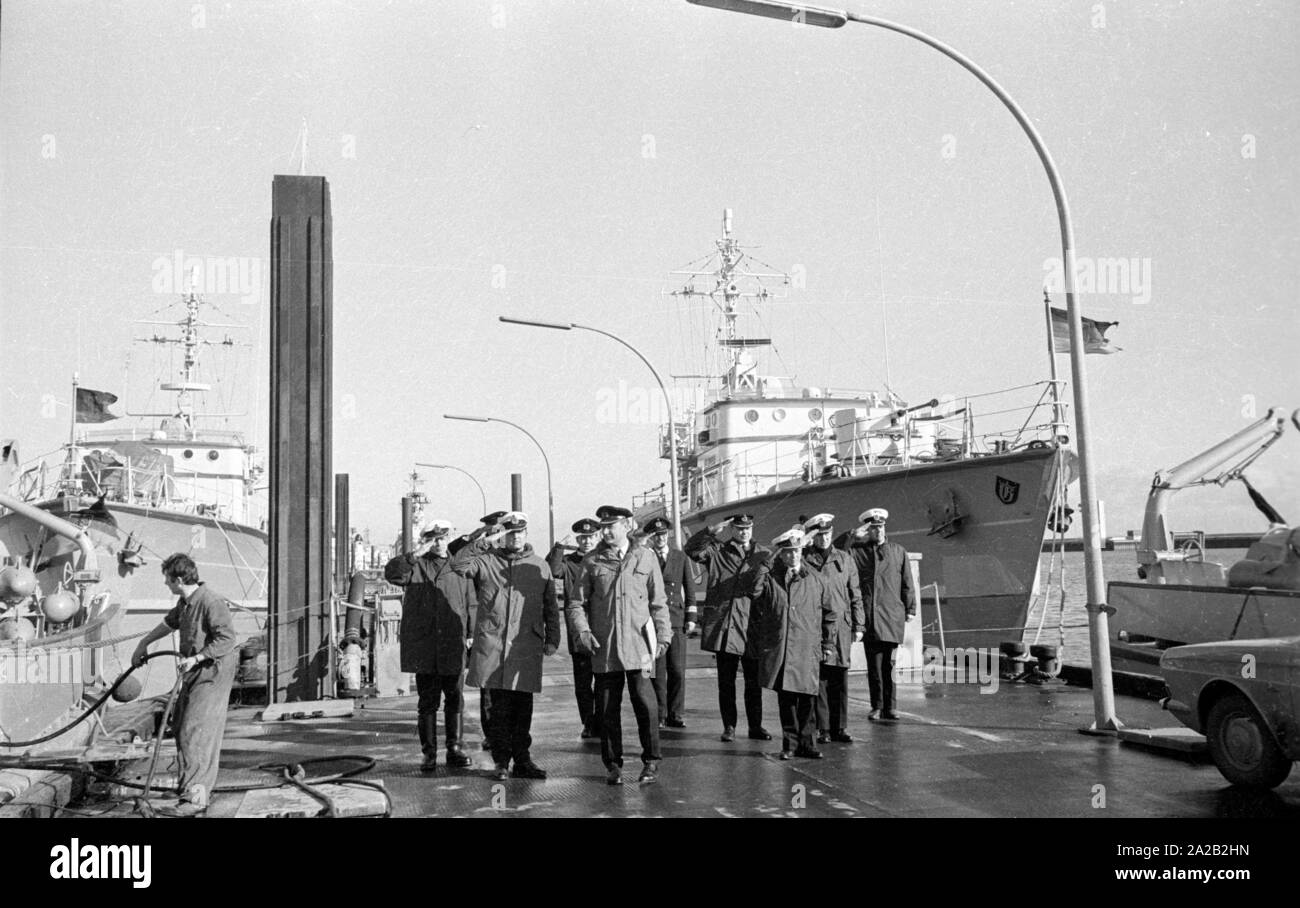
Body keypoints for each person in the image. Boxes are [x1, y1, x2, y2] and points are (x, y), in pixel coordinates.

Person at [453, 511, 560, 780]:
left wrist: (553, 639)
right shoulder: (486, 561)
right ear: (503, 535)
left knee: (523, 710)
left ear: (526, 534)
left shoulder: (539, 566)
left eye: (520, 532)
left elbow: (551, 607)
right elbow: (458, 565)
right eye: (510, 533)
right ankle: (501, 762)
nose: (516, 537)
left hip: (525, 647)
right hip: (494, 647)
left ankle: (523, 761)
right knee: (498, 711)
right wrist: (486, 540)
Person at [569, 505, 671, 785]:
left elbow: (658, 602)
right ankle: (612, 765)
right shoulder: (592, 561)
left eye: (611, 525)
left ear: (627, 525)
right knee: (606, 708)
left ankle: (651, 762)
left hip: (642, 649)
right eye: (604, 526)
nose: (606, 531)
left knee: (646, 704)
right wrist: (584, 632)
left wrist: (664, 637)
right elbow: (576, 603)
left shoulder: (646, 557)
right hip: (605, 649)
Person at [131, 553, 239, 816]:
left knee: (196, 732)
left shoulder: (210, 601)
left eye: (168, 580)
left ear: (179, 579)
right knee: (180, 725)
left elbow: (227, 639)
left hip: (212, 674)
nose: (166, 585)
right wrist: (143, 643)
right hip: (195, 672)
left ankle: (197, 797)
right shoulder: (186, 602)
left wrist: (197, 658)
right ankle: (188, 786)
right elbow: (169, 623)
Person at [385, 517, 474, 771]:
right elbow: (392, 573)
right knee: (427, 701)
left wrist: (470, 633)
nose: (439, 543)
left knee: (455, 698)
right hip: (425, 646)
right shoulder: (415, 566)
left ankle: (454, 748)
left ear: (449, 538)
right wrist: (415, 553)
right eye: (433, 539)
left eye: (443, 538)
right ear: (426, 541)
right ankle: (429, 753)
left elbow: (471, 601)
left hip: (452, 643)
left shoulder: (459, 566)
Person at [746, 529, 834, 760]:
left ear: (801, 552)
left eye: (796, 551)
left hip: (807, 648)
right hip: (782, 648)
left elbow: (830, 613)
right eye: (787, 552)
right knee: (787, 700)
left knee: (807, 698)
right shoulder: (771, 579)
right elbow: (753, 591)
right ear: (781, 555)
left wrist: (828, 645)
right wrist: (768, 562)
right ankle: (790, 744)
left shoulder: (815, 579)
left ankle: (808, 743)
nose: (793, 556)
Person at [685, 513, 772, 742]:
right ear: (732, 529)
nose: (744, 532)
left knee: (754, 683)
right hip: (724, 628)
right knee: (726, 682)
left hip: (751, 627)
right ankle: (729, 726)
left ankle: (756, 726)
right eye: (740, 528)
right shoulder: (717, 552)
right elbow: (692, 550)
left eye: (748, 528)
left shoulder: (763, 554)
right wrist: (710, 532)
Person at [840, 508, 914, 721]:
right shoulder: (858, 551)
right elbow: (841, 551)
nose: (877, 531)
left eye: (880, 527)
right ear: (868, 530)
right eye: (873, 528)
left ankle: (891, 707)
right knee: (874, 665)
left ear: (885, 528)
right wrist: (853, 535)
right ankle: (877, 706)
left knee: (889, 665)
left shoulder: (898, 551)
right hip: (871, 617)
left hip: (892, 617)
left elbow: (907, 583)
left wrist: (910, 609)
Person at [801, 513, 864, 743]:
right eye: (819, 535)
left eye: (827, 534)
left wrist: (859, 624)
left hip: (842, 627)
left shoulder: (845, 559)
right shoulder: (805, 560)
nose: (824, 539)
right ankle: (823, 728)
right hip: (816, 627)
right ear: (813, 537)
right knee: (820, 679)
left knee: (840, 678)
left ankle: (840, 727)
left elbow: (855, 593)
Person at [547, 517, 602, 740]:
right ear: (577, 539)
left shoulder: (603, 558)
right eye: (582, 537)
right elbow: (552, 569)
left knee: (604, 680)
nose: (587, 541)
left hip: (602, 626)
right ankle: (588, 723)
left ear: (597, 537)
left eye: (591, 537)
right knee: (582, 682)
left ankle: (602, 720)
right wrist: (559, 547)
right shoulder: (569, 562)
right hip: (579, 630)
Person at [641, 516, 696, 728]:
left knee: (677, 670)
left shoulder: (679, 557)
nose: (660, 538)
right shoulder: (644, 557)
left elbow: (689, 589)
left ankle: (676, 713)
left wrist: (691, 617)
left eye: (663, 534)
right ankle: (660, 714)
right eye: (655, 536)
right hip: (651, 623)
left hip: (675, 620)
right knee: (655, 671)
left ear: (668, 535)